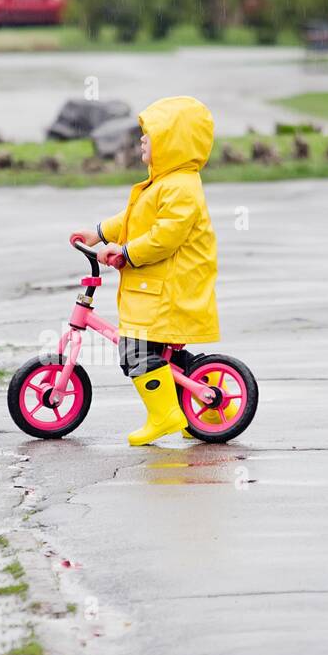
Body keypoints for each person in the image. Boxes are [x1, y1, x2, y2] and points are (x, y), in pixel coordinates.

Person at [70, 96, 221, 446]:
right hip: (157, 288)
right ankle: (194, 409)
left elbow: (164, 237)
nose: (141, 140)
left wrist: (125, 253)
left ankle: (165, 415)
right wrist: (101, 233)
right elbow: (134, 220)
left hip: (170, 290)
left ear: (172, 142)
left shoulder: (181, 188)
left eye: (149, 134)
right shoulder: (163, 184)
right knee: (163, 356)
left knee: (135, 352)